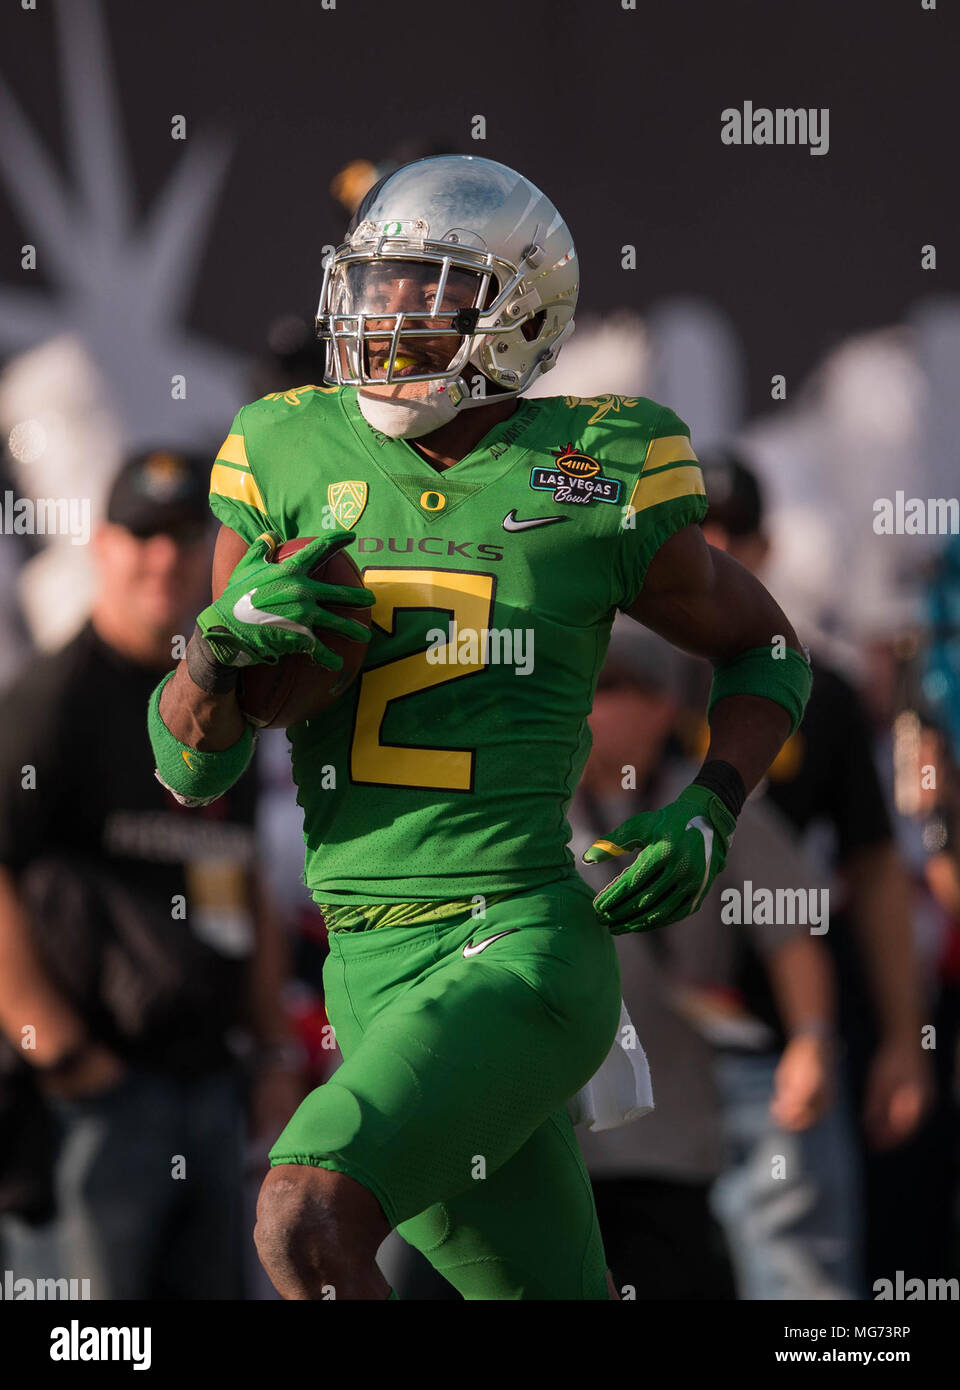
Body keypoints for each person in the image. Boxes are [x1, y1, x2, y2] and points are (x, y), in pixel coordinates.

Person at [148, 155, 813, 1301]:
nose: (386, 318)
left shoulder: (596, 466)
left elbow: (770, 646)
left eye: (425, 291)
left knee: (304, 1218)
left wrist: (712, 802)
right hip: (364, 961)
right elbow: (189, 767)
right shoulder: (285, 448)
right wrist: (213, 649)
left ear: (522, 309)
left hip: (516, 943)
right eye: (375, 286)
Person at [0, 449, 303, 1299]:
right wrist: (53, 1045)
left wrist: (276, 1048)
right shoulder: (54, 698)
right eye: (141, 536)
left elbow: (242, 882)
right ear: (101, 548)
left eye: (180, 536)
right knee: (93, 1341)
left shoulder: (218, 703)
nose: (163, 558)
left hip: (209, 1082)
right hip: (94, 1097)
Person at [698, 448, 934, 1290]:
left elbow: (873, 873)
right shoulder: (593, 681)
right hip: (632, 1035)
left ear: (764, 550)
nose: (715, 548)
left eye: (734, 533)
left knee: (800, 1285)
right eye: (695, 532)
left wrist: (905, 1041)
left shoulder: (816, 692)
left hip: (786, 1039)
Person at [570, 620, 836, 1299]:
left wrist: (810, 1039)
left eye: (622, 688)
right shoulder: (529, 801)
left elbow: (791, 925)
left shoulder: (704, 805)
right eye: (592, 686)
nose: (600, 706)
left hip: (675, 1130)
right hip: (555, 1134)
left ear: (665, 706)